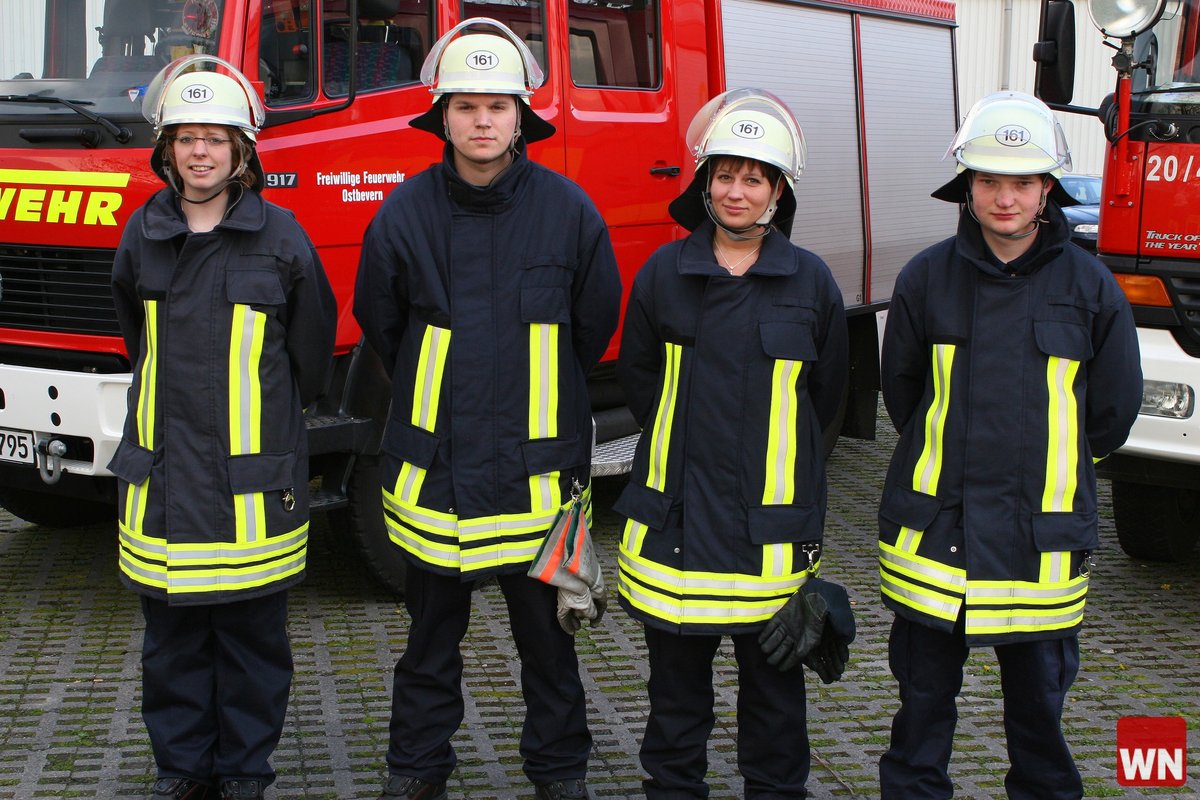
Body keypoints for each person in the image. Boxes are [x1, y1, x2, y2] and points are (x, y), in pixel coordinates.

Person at [352, 18, 621, 800]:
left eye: (495, 107)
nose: (480, 121)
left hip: (537, 486)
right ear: (441, 116)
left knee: (548, 645)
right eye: (465, 106)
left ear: (520, 117)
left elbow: (594, 330)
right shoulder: (403, 216)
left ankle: (560, 772)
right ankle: (416, 770)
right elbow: (383, 324)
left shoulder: (569, 214)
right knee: (430, 641)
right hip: (435, 481)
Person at [876, 91, 1142, 800]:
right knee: (922, 713)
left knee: (1040, 721)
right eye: (989, 179)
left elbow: (1112, 411)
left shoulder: (1091, 286)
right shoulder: (925, 278)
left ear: (1047, 187)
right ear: (967, 185)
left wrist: (1043, 467)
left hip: (1039, 541)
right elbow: (904, 395)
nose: (1005, 197)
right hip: (938, 537)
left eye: (1022, 181)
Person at [108, 56, 337, 800]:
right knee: (171, 648)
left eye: (215, 138)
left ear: (243, 152)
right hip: (164, 486)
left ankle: (243, 772)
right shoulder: (141, 236)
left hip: (251, 493)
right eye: (185, 138)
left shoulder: (283, 238)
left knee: (251, 648)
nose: (199, 152)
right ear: (165, 150)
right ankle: (182, 771)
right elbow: (133, 342)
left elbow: (309, 355)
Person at [614, 88, 853, 799]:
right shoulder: (664, 273)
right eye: (724, 174)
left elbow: (826, 403)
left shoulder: (810, 283)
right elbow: (641, 384)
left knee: (776, 715)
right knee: (676, 712)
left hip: (768, 542)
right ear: (703, 181)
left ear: (779, 190)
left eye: (754, 177)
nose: (737, 190)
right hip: (676, 539)